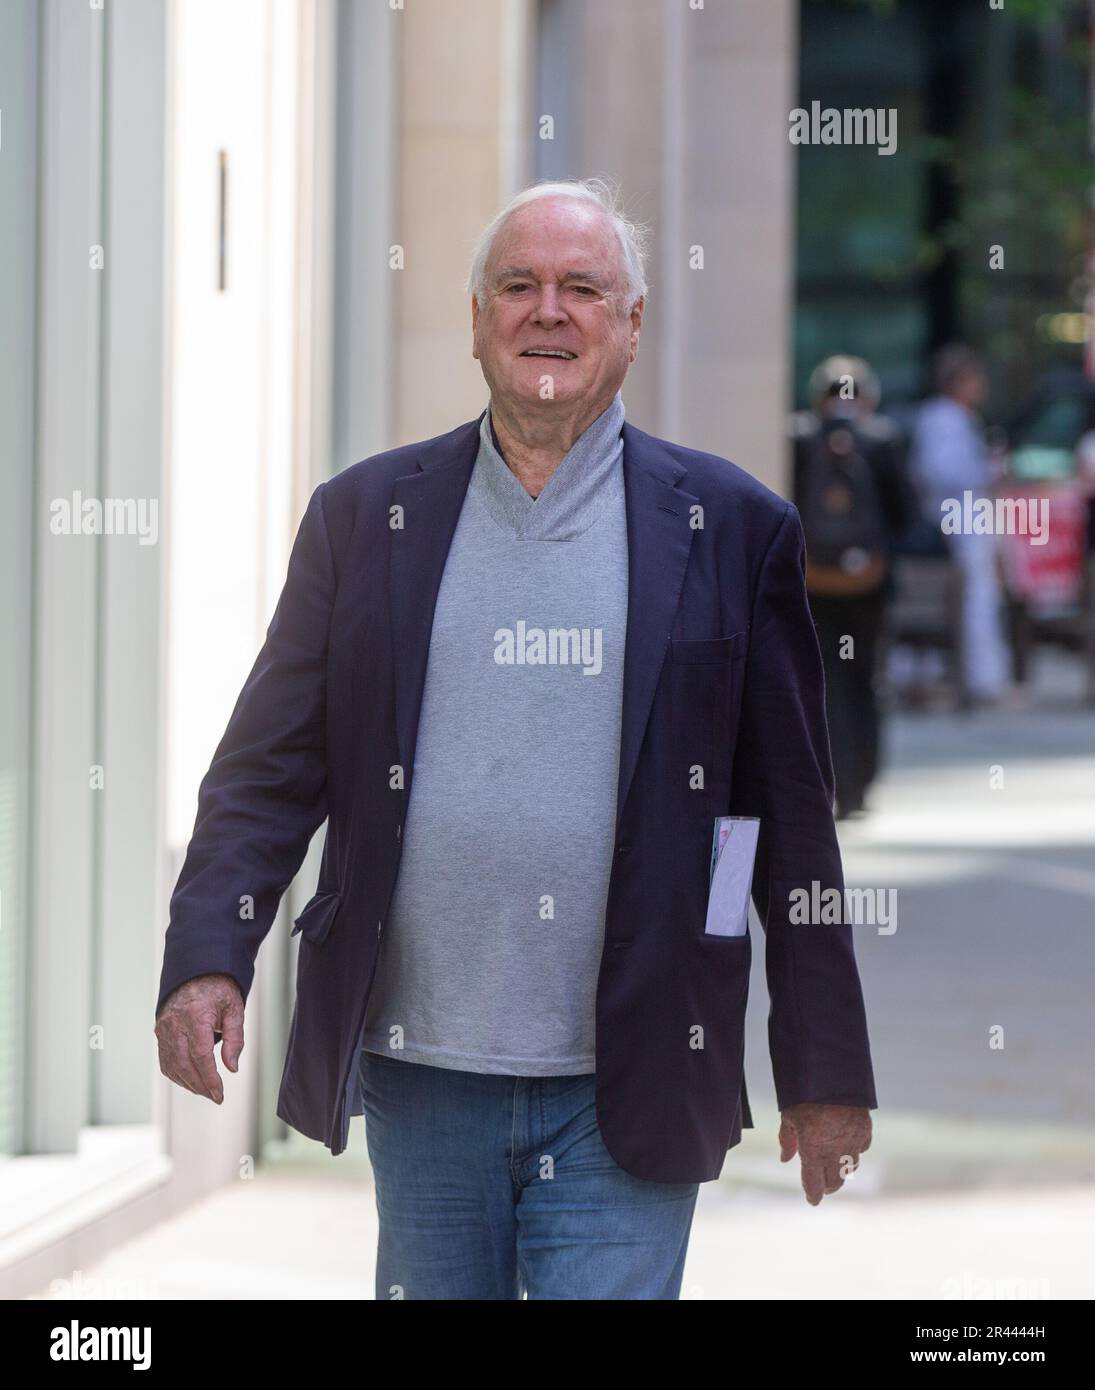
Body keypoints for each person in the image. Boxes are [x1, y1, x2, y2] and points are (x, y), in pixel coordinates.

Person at [154, 177, 877, 1301]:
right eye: (518, 286)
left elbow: (785, 825)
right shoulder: (367, 517)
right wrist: (209, 951)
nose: (550, 310)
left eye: (583, 288)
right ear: (477, 321)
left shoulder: (732, 529)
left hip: (633, 1066)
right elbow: (266, 769)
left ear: (632, 325)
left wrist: (822, 1065)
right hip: (421, 1067)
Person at [791, 356, 917, 818]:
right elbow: (906, 514)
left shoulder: (799, 438)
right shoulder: (883, 440)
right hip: (869, 586)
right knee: (866, 680)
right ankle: (861, 786)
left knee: (822, 683)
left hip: (815, 584)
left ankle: (830, 782)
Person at [907, 345, 1012, 705]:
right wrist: (987, 470)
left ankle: (984, 677)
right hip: (957, 522)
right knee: (972, 601)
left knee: (982, 599)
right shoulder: (939, 419)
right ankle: (978, 679)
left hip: (972, 520)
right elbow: (938, 472)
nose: (981, 386)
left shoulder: (962, 419)